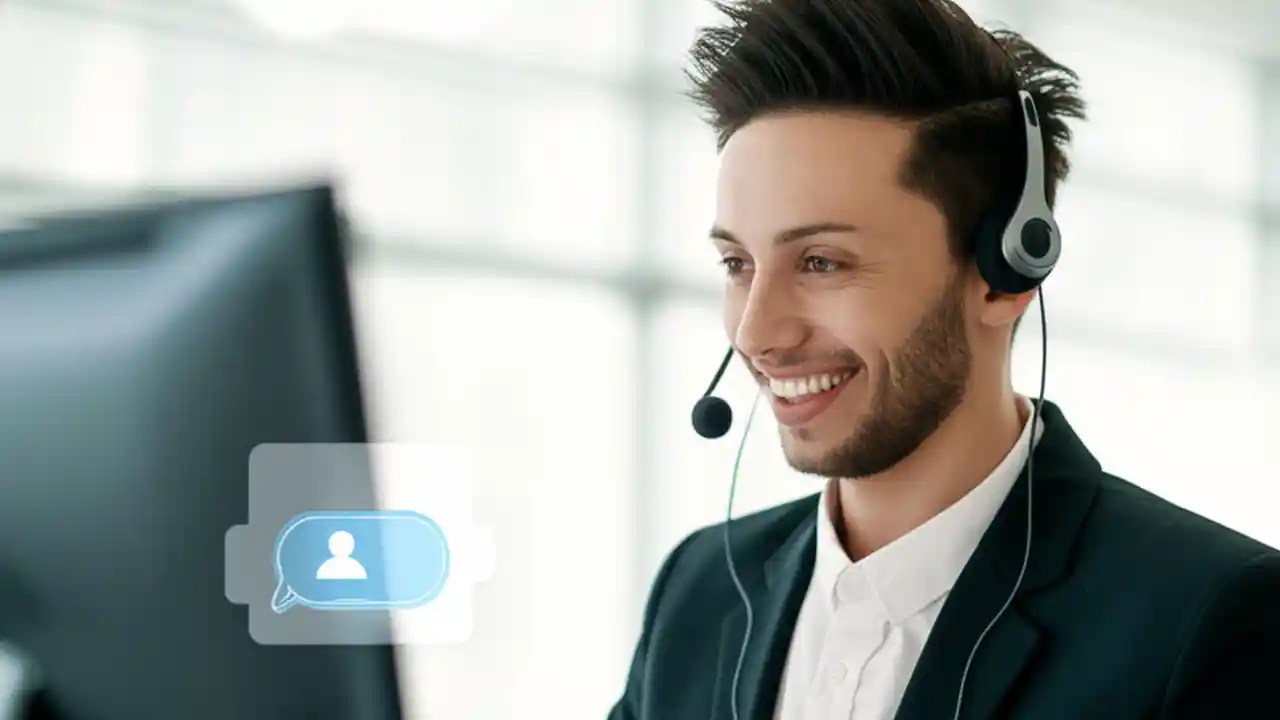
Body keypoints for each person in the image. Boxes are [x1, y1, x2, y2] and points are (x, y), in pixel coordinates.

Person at [609, 1, 1280, 718]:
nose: (755, 330)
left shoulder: (1209, 618)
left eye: (823, 261)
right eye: (737, 263)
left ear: (1004, 274)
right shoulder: (700, 589)